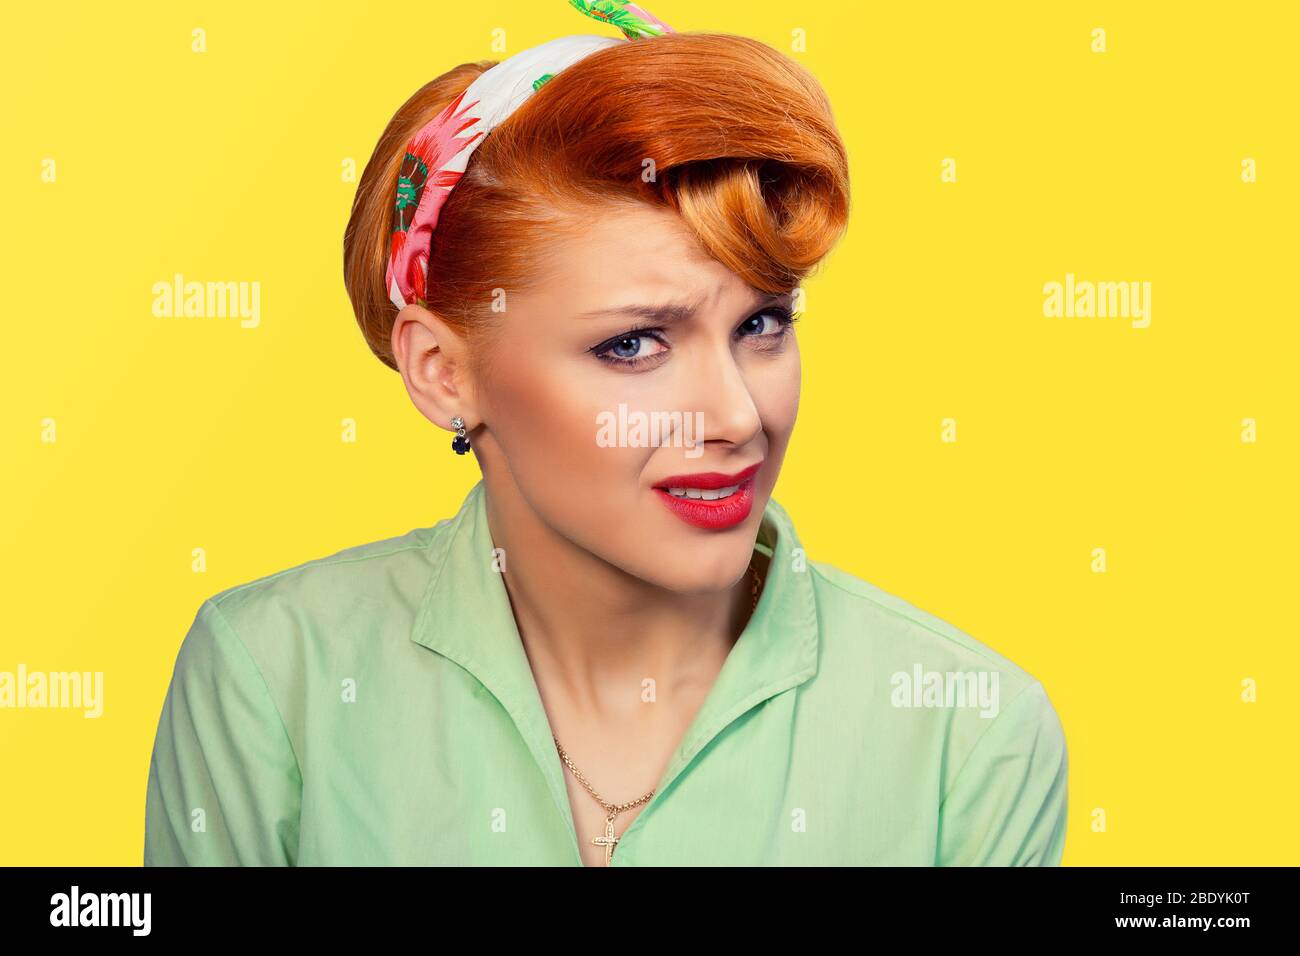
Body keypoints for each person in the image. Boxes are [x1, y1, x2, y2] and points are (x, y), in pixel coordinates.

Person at [144, 0, 1067, 866]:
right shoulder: (271, 679)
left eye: (763, 325)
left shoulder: (968, 736)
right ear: (442, 371)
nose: (738, 417)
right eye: (634, 343)